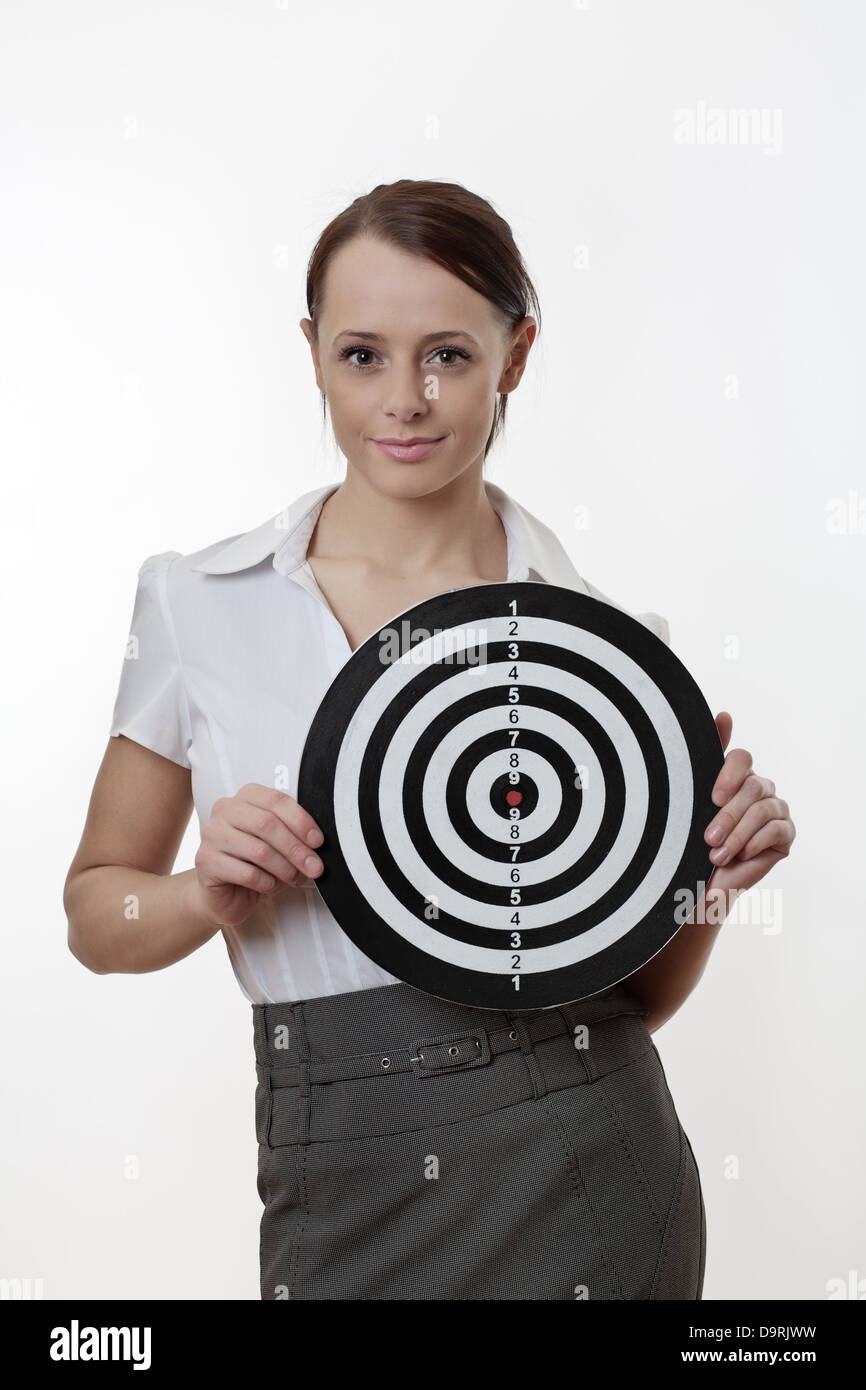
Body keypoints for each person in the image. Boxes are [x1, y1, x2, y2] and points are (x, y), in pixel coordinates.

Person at [64, 179, 796, 1301]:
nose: (403, 399)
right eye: (362, 354)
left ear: (516, 354)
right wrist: (199, 893)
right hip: (334, 1149)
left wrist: (712, 880)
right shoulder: (196, 602)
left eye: (448, 354)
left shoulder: (605, 653)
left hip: (587, 1158)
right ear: (310, 351)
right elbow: (96, 916)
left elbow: (627, 998)